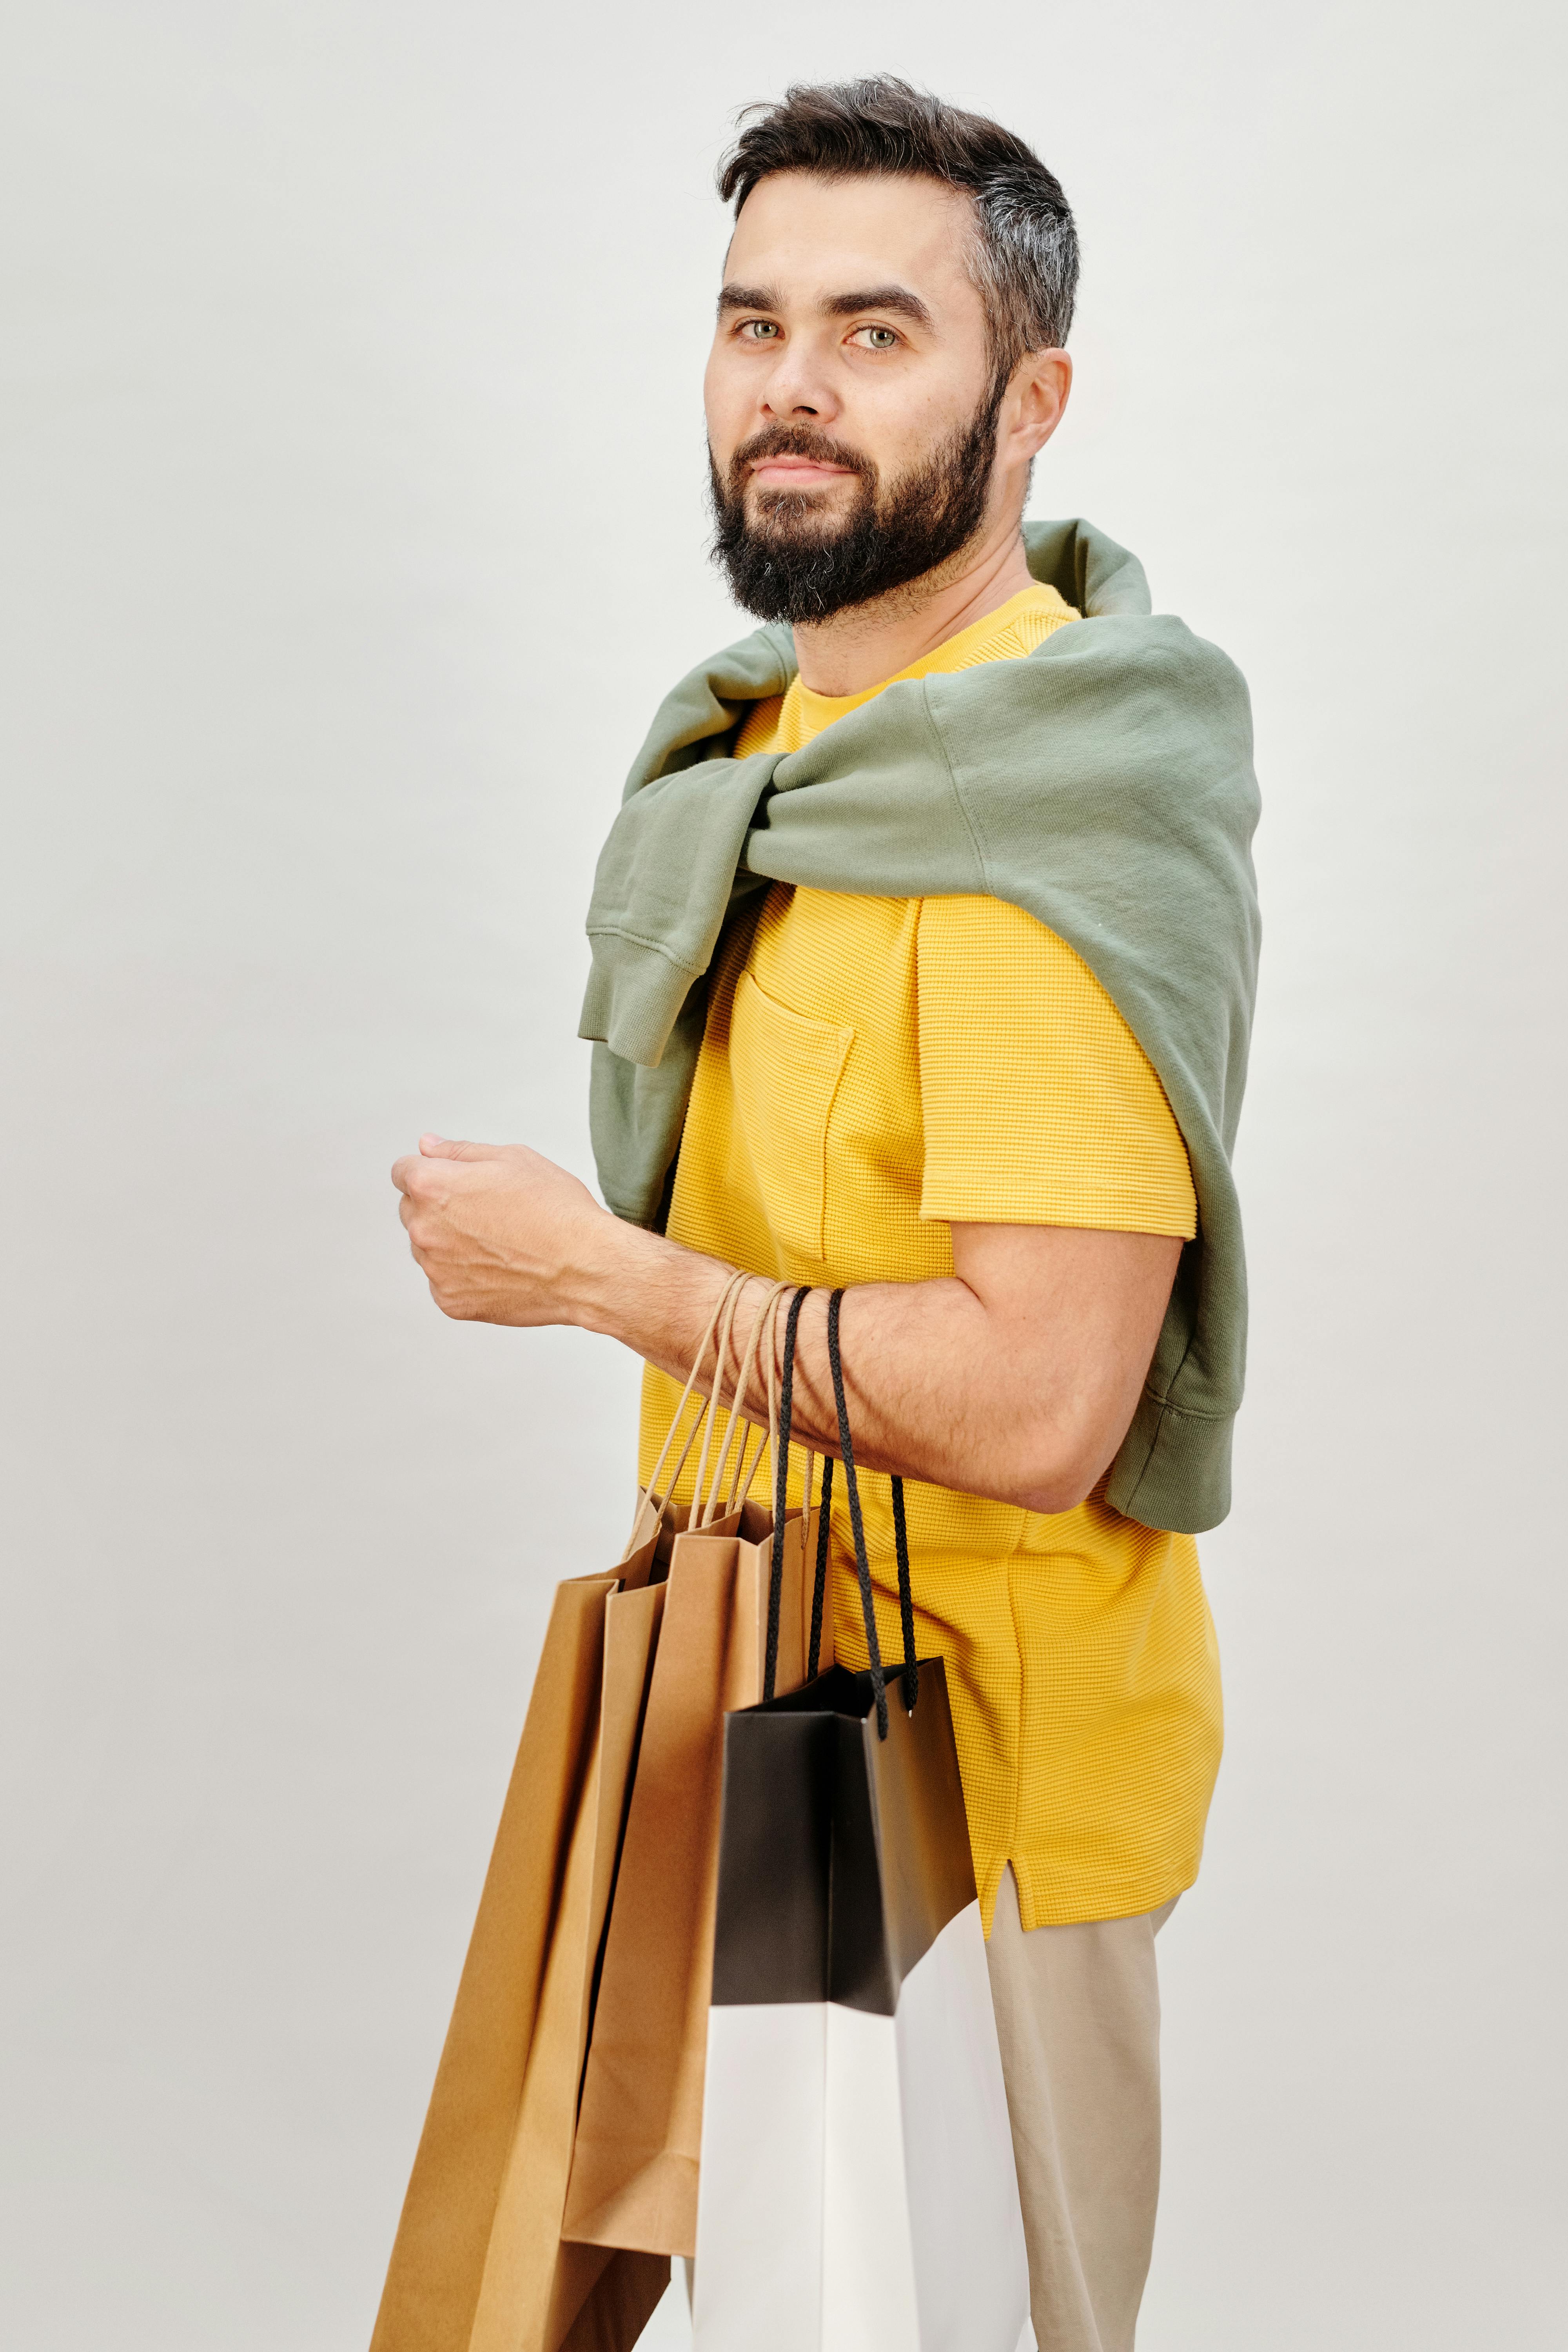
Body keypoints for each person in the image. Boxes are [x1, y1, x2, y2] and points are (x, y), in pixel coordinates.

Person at [392, 76, 1259, 2352]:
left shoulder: (1034, 830)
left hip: (954, 1782)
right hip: (729, 1686)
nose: (790, 384)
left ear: (1030, 393)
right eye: (753, 322)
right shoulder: (765, 757)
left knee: (936, 2332)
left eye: (878, 332)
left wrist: (606, 1284)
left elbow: (1047, 1402)